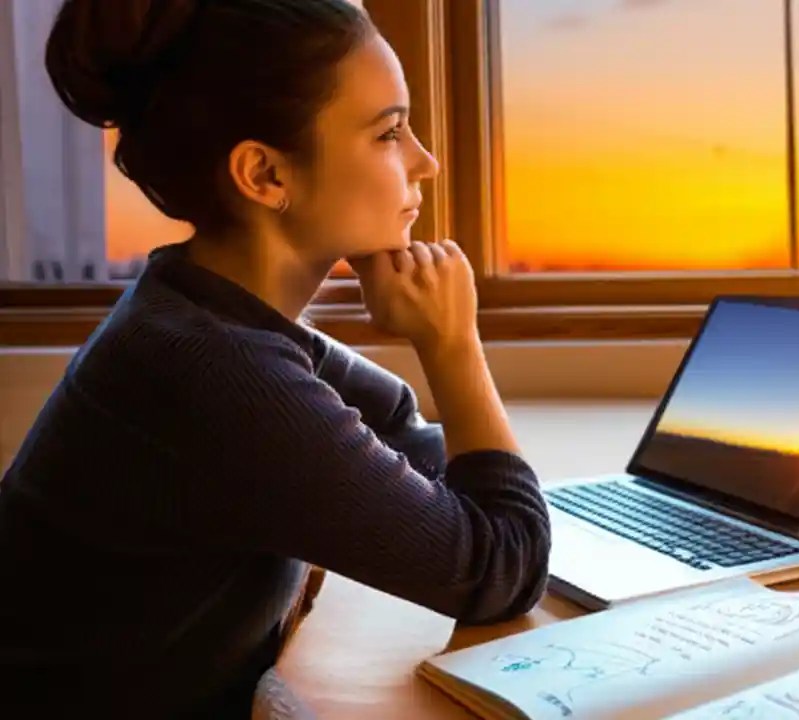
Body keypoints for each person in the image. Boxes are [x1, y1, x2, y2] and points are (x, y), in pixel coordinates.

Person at [0, 0, 550, 716]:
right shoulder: (210, 371)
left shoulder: (200, 313)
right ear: (263, 174)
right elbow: (503, 566)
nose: (427, 161)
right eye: (389, 131)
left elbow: (410, 446)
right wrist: (451, 344)